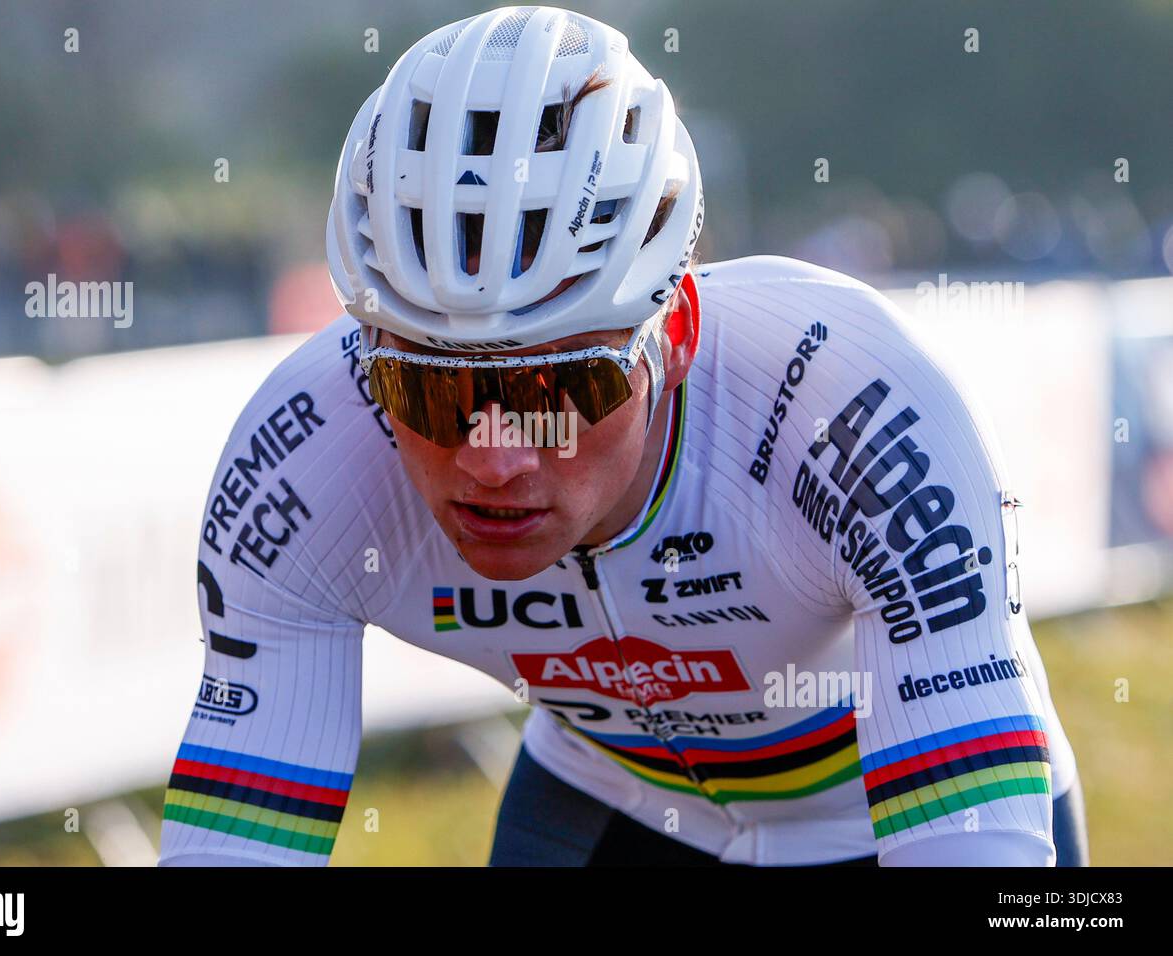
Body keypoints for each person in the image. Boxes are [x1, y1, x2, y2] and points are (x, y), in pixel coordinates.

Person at [159, 5, 1087, 867]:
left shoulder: (851, 406)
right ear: (367, 354)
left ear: (674, 333)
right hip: (616, 800)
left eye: (561, 386)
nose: (493, 458)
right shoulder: (304, 458)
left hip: (888, 814)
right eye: (428, 392)